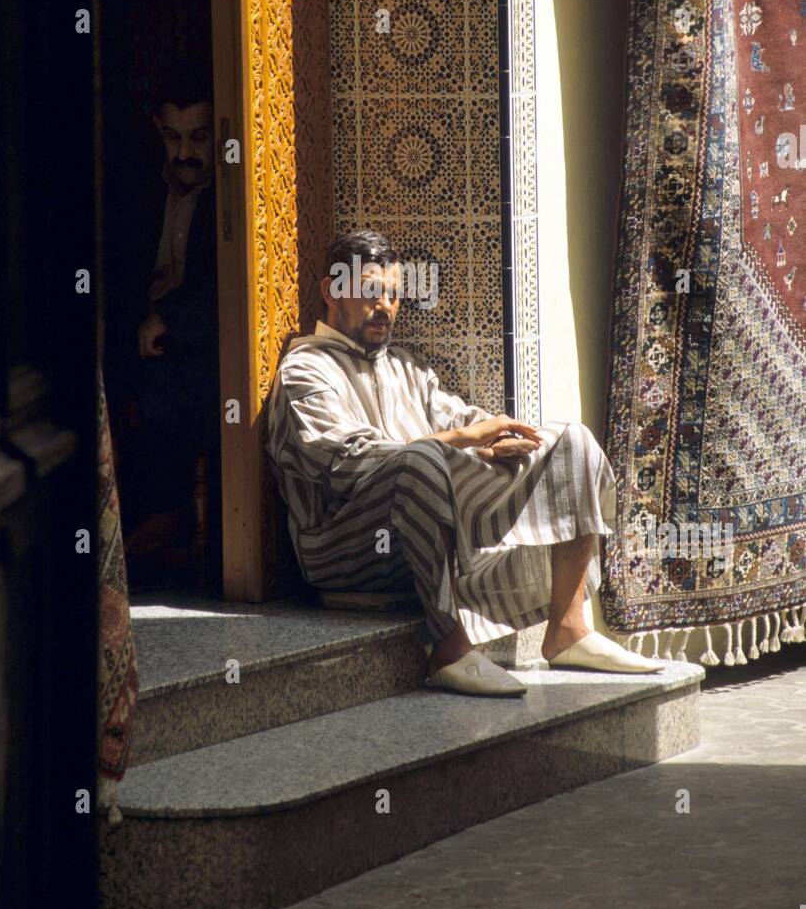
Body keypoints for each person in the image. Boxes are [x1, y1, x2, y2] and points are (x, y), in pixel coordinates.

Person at [266, 228, 666, 696]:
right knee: (421, 461)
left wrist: (498, 440)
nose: (386, 306)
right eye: (372, 291)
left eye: (394, 294)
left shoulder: (404, 369)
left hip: (423, 543)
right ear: (333, 291)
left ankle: (568, 628)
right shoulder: (304, 370)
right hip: (343, 553)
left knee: (569, 441)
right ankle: (449, 649)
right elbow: (345, 461)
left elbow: (462, 418)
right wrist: (460, 441)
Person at [106, 64, 220, 560]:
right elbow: (113, 273)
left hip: (199, 342)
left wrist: (168, 317)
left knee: (170, 388)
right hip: (136, 338)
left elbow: (224, 285)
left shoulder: (233, 198)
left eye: (198, 137)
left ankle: (170, 517)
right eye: (173, 137)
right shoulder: (137, 193)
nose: (185, 153)